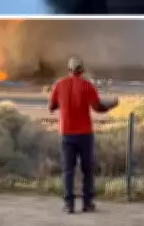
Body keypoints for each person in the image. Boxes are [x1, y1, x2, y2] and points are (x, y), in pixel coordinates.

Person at [48, 56, 118, 214]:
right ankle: (87, 203)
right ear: (81, 70)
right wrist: (112, 104)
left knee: (68, 170)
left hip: (66, 134)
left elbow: (51, 106)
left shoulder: (59, 85)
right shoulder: (87, 85)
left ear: (69, 69)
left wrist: (63, 103)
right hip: (85, 135)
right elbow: (98, 107)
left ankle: (69, 205)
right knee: (87, 170)